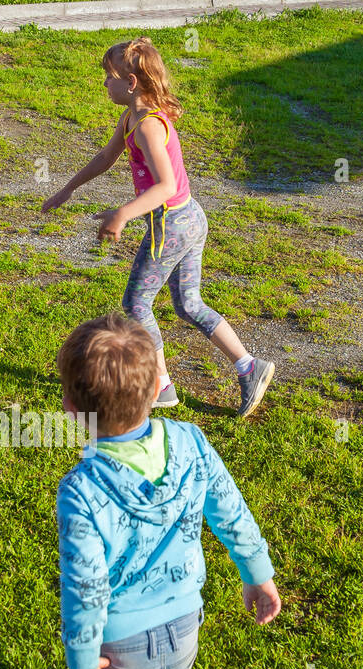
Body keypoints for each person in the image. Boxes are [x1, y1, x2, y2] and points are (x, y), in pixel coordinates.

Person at [55, 312, 282, 669]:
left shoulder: (82, 489)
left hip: (119, 645)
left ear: (71, 410)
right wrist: (257, 573)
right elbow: (231, 511)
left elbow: (86, 583)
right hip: (183, 628)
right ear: (160, 386)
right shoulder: (191, 442)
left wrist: (82, 655)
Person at [43, 37, 276, 418]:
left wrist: (122, 214)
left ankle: (161, 385)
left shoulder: (149, 126)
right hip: (190, 218)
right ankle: (249, 366)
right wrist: (68, 188)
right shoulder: (132, 118)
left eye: (109, 76)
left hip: (171, 225)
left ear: (131, 82)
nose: (105, 82)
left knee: (136, 303)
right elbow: (106, 156)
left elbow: (166, 186)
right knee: (189, 303)